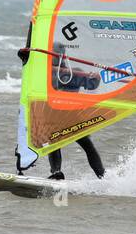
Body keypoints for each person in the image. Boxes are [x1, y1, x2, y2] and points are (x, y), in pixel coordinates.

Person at [18, 30, 105, 181]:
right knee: (54, 143)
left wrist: (95, 78)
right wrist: (24, 53)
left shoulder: (74, 72)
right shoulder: (44, 71)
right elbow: (26, 60)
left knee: (86, 146)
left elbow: (91, 85)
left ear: (61, 55)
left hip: (72, 116)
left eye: (54, 55)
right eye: (50, 55)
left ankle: (102, 175)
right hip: (56, 115)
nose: (52, 58)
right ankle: (57, 172)